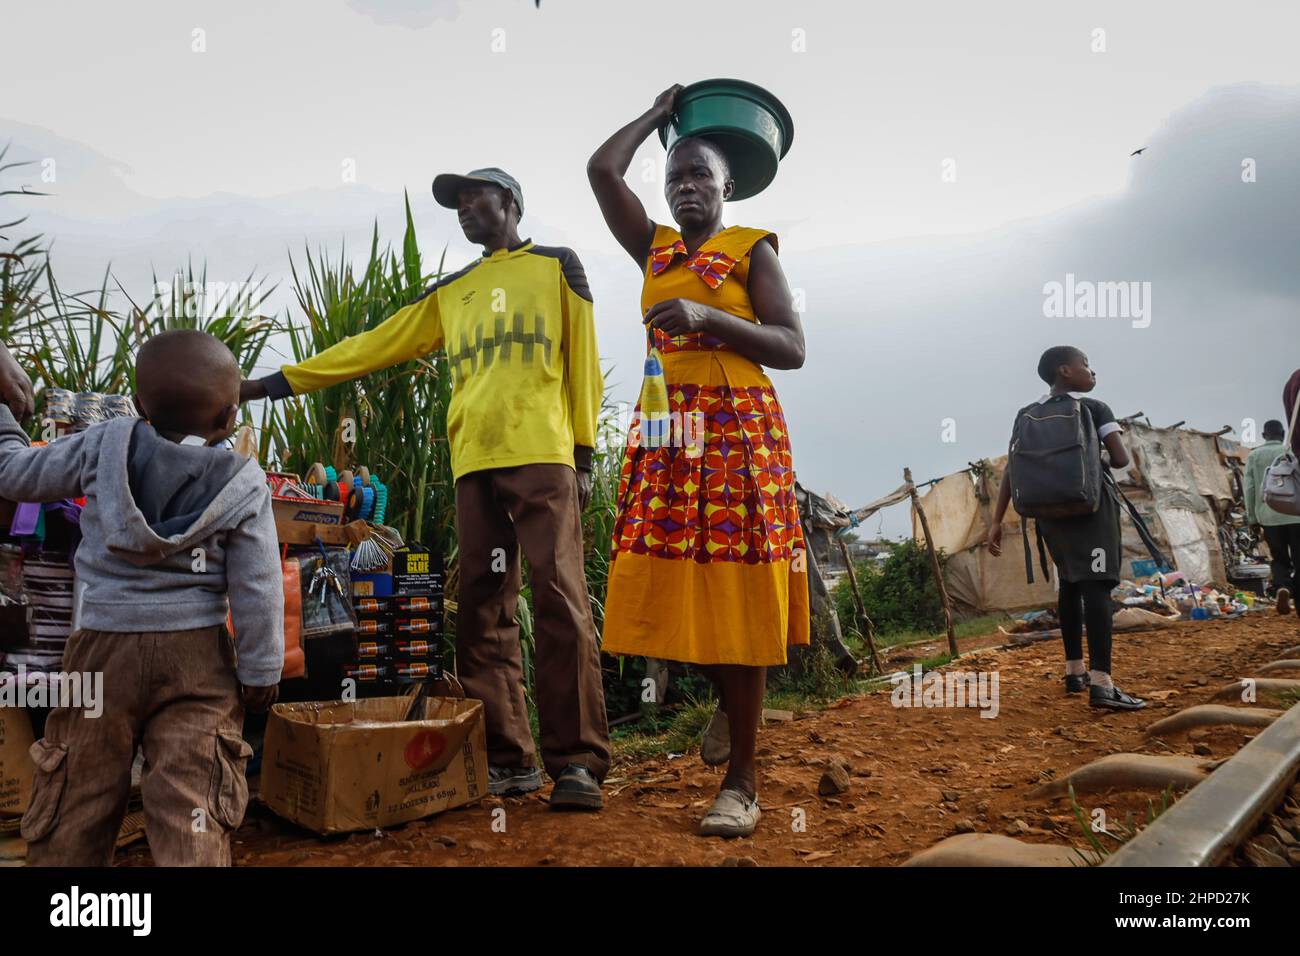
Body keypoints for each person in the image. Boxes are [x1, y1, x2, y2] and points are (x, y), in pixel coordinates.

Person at [240, 168, 610, 809]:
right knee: (481, 609)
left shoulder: (557, 266)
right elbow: (372, 345)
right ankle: (508, 756)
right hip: (473, 465)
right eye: (458, 204)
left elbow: (583, 362)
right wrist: (272, 384)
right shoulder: (454, 290)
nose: (466, 210)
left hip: (544, 459)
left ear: (511, 203)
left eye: (477, 199)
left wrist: (581, 455)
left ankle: (576, 763)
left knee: (559, 598)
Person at [587, 86, 810, 838]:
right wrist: (660, 118)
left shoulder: (753, 249)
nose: (686, 187)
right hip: (664, 434)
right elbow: (601, 170)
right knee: (669, 579)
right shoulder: (650, 247)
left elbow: (793, 348)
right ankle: (727, 696)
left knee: (737, 588)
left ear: (728, 188)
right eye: (675, 178)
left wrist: (710, 317)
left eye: (700, 177)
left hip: (737, 428)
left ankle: (742, 781)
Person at [0, 330, 284, 866]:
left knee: (78, 787)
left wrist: (3, 418)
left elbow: (14, 475)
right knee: (192, 792)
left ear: (136, 403)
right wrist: (261, 670)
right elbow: (259, 586)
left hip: (101, 651)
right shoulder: (245, 483)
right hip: (196, 662)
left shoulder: (102, 444)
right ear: (228, 419)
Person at [987, 346, 1146, 711]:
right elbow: (1120, 459)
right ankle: (1103, 684)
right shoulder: (1094, 408)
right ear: (1064, 371)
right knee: (1098, 588)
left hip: (1049, 516)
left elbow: (1013, 467)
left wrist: (996, 521)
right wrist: (1094, 458)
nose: (1092, 372)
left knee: (1071, 583)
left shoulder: (1026, 414)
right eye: (1085, 365)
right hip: (1090, 510)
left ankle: (1074, 671)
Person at [1243, 418, 1300, 614]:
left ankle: (1283, 586)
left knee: (1278, 558)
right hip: (1296, 515)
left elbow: (1249, 488)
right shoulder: (1291, 452)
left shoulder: (1254, 456)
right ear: (1283, 435)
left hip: (1269, 517)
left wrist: (1252, 519)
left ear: (1263, 436)